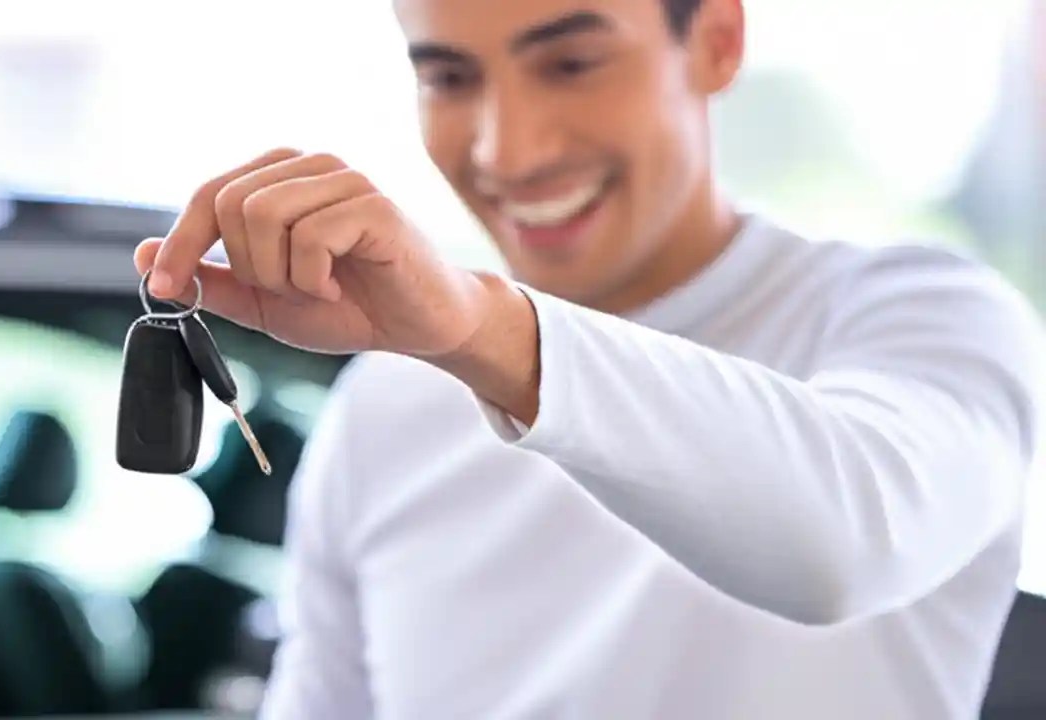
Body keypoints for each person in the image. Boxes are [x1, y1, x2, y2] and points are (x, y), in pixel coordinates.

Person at [134, 0, 1046, 717]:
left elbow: (847, 540)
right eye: (450, 77)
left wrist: (478, 329)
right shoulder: (385, 407)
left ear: (717, 42)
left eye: (571, 63)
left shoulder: (929, 316)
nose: (507, 149)